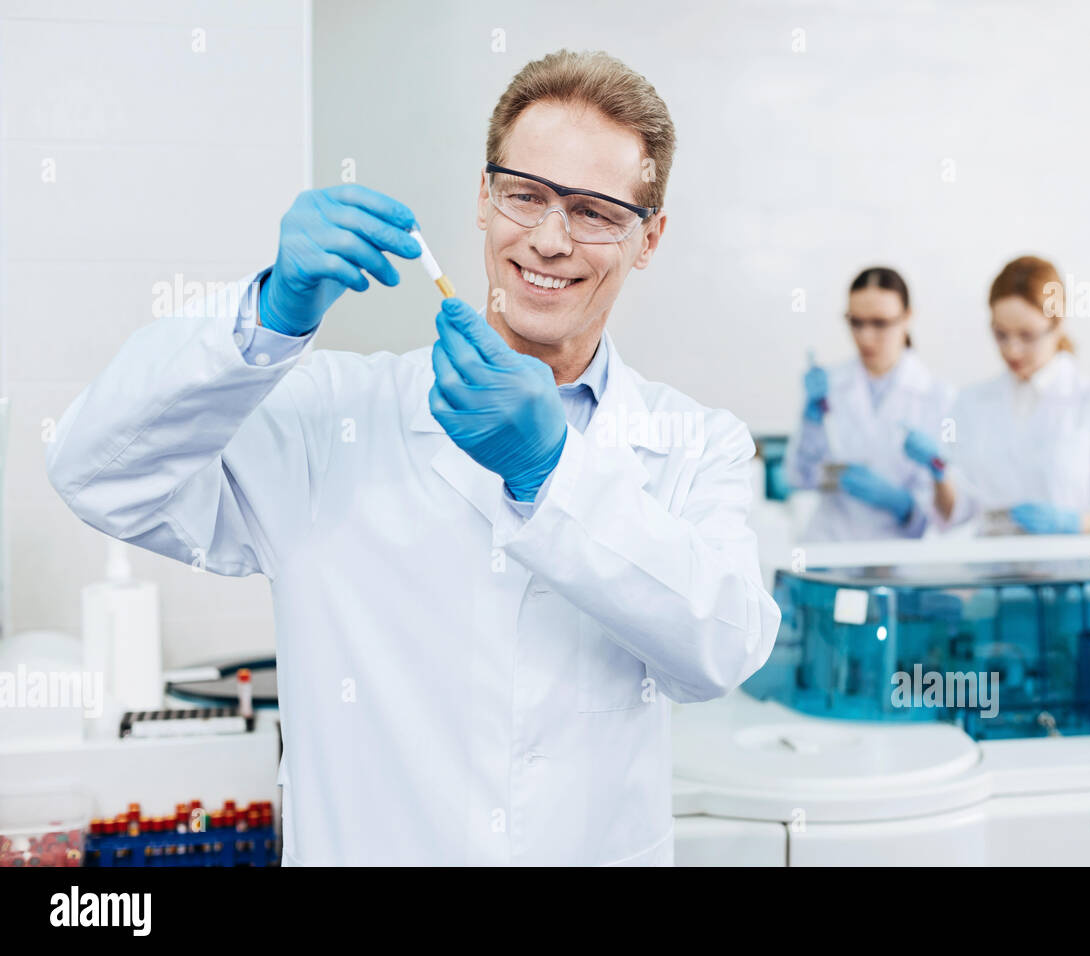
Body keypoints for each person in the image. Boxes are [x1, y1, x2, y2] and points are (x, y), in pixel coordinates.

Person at [45, 49, 779, 866]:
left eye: (596, 211)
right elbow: (95, 470)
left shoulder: (692, 443)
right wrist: (267, 318)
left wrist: (552, 473)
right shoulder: (336, 418)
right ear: (482, 198)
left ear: (649, 239)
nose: (547, 238)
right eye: (525, 195)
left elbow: (724, 646)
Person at [946, 255, 1090, 535]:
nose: (1012, 350)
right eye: (1001, 335)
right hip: (991, 569)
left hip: (1071, 571)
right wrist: (939, 476)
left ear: (1058, 323)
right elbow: (959, 511)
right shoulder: (970, 403)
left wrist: (1077, 523)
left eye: (1027, 336)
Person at [786, 267, 957, 541]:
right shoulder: (829, 386)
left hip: (898, 556)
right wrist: (811, 423)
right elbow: (798, 478)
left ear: (908, 317)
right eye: (856, 322)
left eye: (879, 323)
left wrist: (904, 505)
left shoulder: (938, 397)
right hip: (830, 547)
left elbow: (948, 517)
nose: (866, 337)